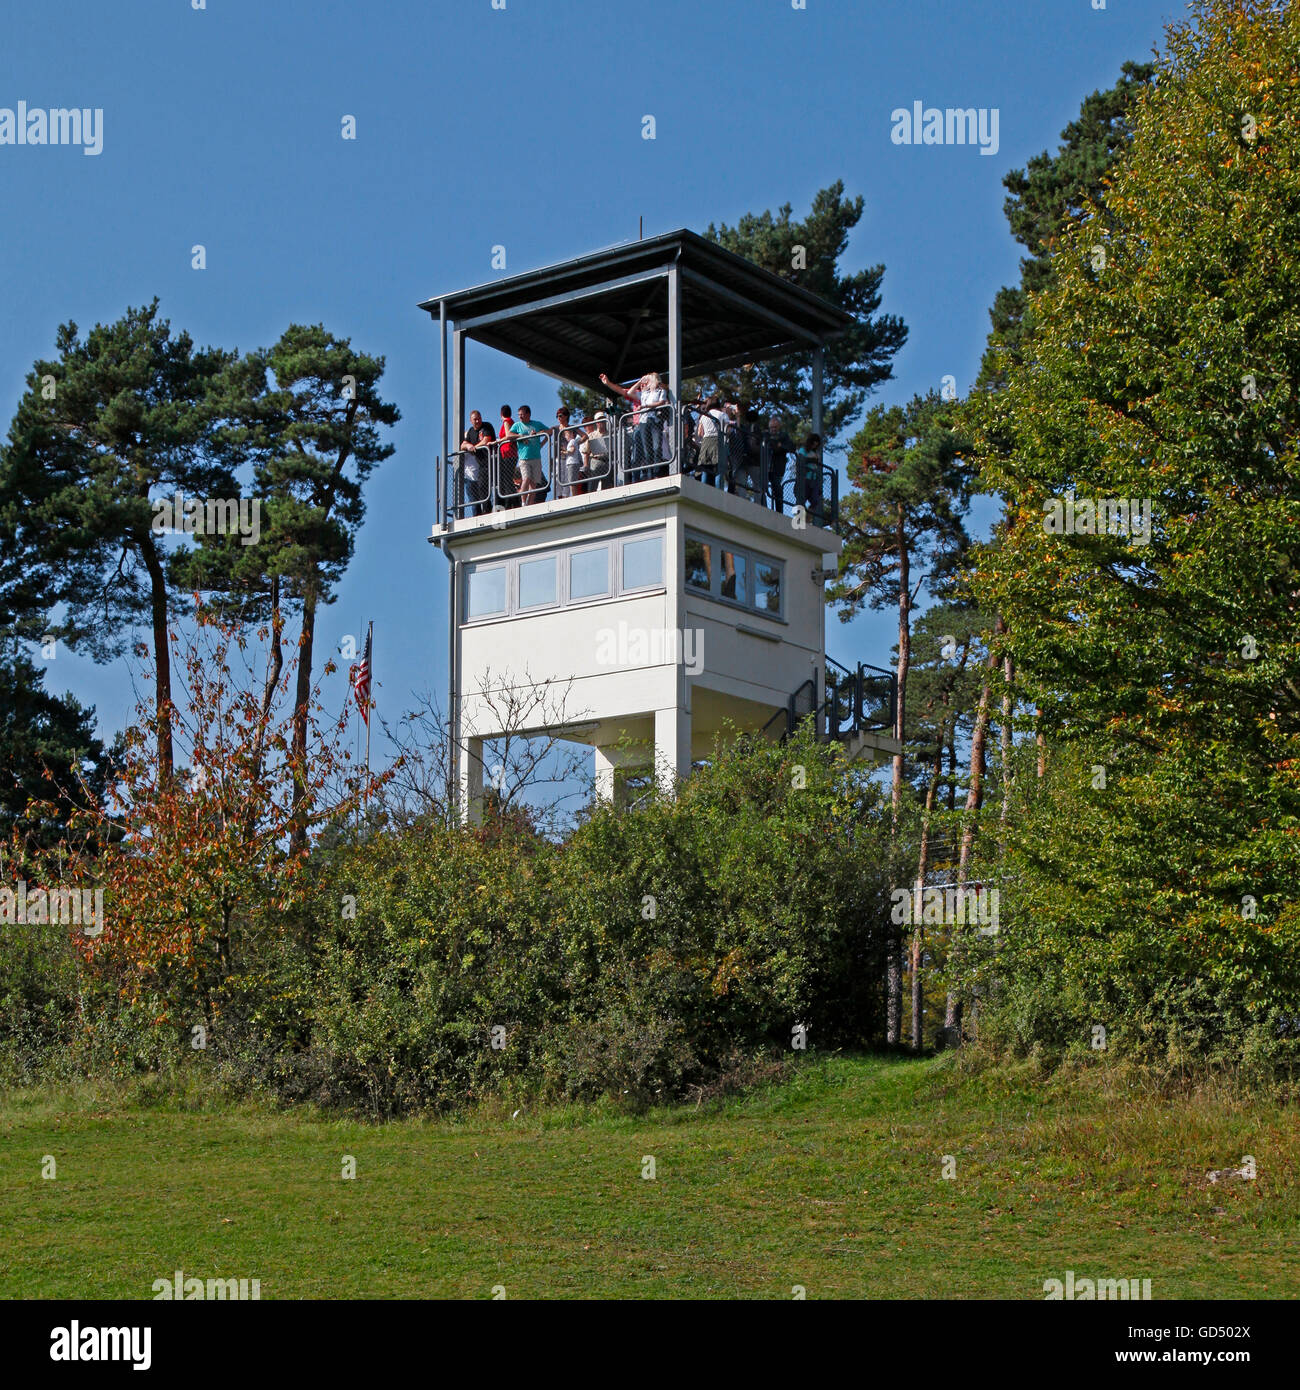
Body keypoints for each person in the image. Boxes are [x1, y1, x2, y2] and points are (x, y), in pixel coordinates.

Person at [511, 404, 549, 505]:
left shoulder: (536, 424)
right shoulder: (517, 425)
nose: (520, 416)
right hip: (524, 458)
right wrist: (521, 436)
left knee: (533, 484)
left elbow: (550, 432)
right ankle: (523, 502)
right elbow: (508, 435)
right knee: (526, 478)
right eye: (519, 415)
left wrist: (539, 436)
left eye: (522, 414)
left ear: (528, 414)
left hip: (536, 457)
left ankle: (530, 503)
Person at [459, 410, 494, 517]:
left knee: (484, 488)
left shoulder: (486, 426)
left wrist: (474, 447)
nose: (478, 421)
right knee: (480, 490)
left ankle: (488, 511)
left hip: (490, 462)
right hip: (481, 465)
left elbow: (486, 440)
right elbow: (463, 445)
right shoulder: (471, 431)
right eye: (475, 419)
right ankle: (482, 513)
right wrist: (468, 446)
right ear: (471, 421)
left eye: (479, 418)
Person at [694, 395, 727, 487]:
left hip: (706, 441)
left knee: (705, 467)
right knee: (718, 467)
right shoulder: (722, 415)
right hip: (718, 441)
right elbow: (727, 430)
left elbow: (700, 432)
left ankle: (703, 487)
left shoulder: (704, 416)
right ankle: (718, 490)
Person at [765, 414, 795, 511]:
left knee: (777, 489)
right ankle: (762, 506)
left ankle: (779, 511)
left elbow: (791, 447)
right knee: (761, 487)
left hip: (777, 467)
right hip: (765, 465)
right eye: (771, 427)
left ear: (779, 427)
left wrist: (780, 446)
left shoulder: (784, 436)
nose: (773, 429)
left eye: (775, 427)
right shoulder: (766, 435)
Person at [555, 407, 585, 498]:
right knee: (558, 478)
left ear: (566, 416)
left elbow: (585, 436)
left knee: (567, 479)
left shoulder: (572, 428)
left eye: (560, 416)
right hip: (559, 458)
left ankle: (565, 497)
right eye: (557, 416)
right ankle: (559, 497)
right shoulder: (555, 429)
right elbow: (546, 432)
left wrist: (575, 443)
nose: (558, 418)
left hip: (569, 458)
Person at [581, 411, 613, 489]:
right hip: (595, 462)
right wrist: (586, 465)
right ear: (596, 422)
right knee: (592, 487)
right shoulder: (592, 435)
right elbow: (586, 452)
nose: (600, 422)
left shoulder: (611, 434)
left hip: (608, 463)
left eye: (602, 419)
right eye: (599, 420)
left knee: (607, 489)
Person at [797, 433, 824, 521]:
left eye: (816, 445)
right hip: (804, 478)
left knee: (815, 500)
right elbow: (801, 461)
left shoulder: (815, 453)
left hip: (814, 479)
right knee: (802, 499)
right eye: (813, 444)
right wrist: (811, 460)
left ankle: (808, 518)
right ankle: (800, 518)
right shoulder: (803, 450)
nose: (814, 446)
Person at [497, 405, 520, 508]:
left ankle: (513, 502)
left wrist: (497, 441)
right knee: (507, 479)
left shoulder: (506, 421)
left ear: (501, 414)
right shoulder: (511, 421)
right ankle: (511, 502)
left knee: (507, 479)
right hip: (510, 453)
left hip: (507, 453)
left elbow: (508, 435)